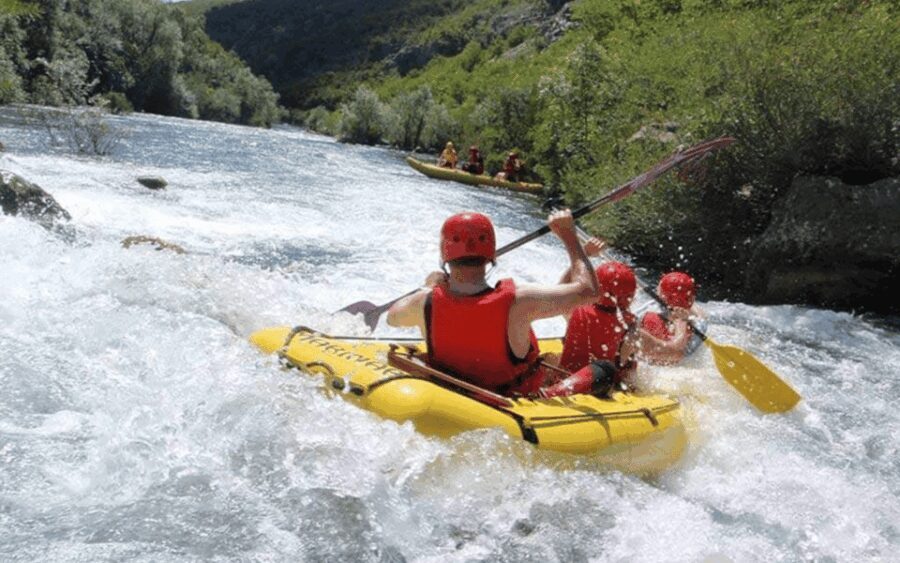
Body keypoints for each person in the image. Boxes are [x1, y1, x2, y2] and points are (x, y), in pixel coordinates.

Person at [386, 209, 600, 397]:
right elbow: (588, 291)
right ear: (490, 255)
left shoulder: (423, 301)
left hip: (448, 391)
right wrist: (569, 236)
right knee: (603, 370)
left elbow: (392, 317)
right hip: (511, 399)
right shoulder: (520, 301)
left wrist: (429, 286)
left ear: (445, 254)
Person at [639, 271, 702, 365]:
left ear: (661, 296)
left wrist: (681, 320)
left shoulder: (647, 318)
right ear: (691, 300)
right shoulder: (696, 326)